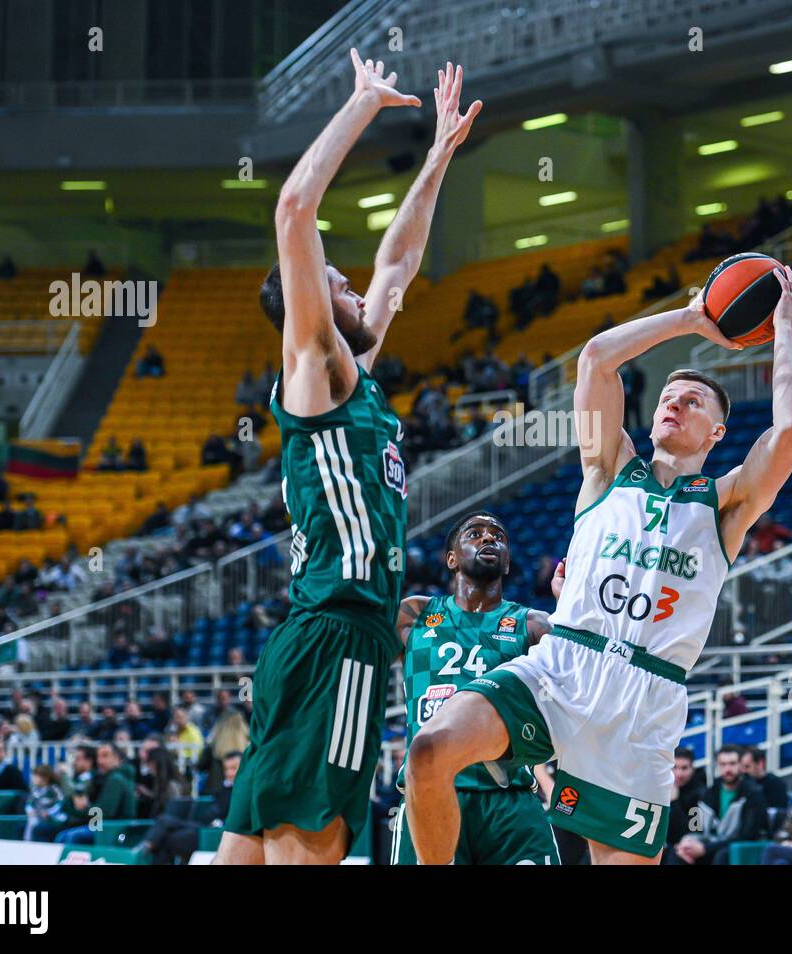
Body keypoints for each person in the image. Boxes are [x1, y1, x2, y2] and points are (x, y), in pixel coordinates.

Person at [404, 266, 792, 863]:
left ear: (717, 431)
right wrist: (693, 319)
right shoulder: (609, 468)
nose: (674, 404)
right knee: (429, 751)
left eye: (691, 401)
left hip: (644, 700)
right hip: (565, 664)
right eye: (668, 397)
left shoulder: (725, 504)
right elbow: (595, 358)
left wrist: (782, 332)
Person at [216, 51, 479, 867]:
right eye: (337, 282)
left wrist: (437, 155)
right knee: (312, 846)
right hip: (338, 638)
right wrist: (365, 103)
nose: (357, 288)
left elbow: (397, 266)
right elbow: (296, 206)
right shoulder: (315, 371)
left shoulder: (353, 378)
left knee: (248, 851)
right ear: (310, 309)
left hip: (317, 633)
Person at [389, 512, 560, 865]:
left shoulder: (533, 625)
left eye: (498, 536)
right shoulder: (414, 614)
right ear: (451, 558)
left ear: (508, 562)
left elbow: (583, 685)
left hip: (509, 797)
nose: (488, 539)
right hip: (432, 797)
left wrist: (570, 606)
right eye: (475, 533)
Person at [671, 745, 767, 865]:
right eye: (723, 764)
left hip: (734, 850)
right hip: (709, 846)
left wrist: (705, 849)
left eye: (732, 763)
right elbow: (694, 827)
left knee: (722, 856)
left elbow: (747, 836)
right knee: (676, 853)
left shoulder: (754, 794)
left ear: (741, 766)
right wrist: (687, 843)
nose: (727, 769)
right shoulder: (707, 793)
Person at [665, 747, 708, 858]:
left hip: (688, 847)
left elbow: (693, 831)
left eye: (684, 768)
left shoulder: (700, 794)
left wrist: (674, 802)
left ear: (692, 769)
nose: (679, 773)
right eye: (675, 767)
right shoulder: (662, 787)